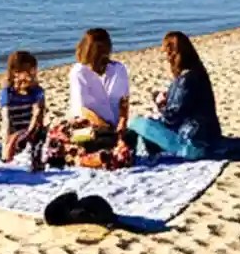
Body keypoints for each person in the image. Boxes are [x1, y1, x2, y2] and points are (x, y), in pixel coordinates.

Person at [128, 31, 222, 159]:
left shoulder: (186, 79)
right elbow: (186, 106)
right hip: (208, 139)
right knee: (146, 132)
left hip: (192, 144)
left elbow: (172, 118)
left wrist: (160, 104)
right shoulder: (198, 73)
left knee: (137, 122)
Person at [68, 28, 130, 136]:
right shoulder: (79, 73)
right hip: (88, 127)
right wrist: (106, 127)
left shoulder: (118, 69)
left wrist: (122, 121)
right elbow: (83, 110)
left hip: (114, 127)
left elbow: (124, 101)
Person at [0, 50, 47, 164]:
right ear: (16, 72)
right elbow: (6, 120)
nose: (33, 73)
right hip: (14, 132)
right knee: (11, 140)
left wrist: (29, 133)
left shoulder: (37, 91)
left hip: (32, 130)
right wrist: (7, 143)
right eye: (29, 70)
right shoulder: (8, 92)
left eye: (34, 70)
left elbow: (38, 117)